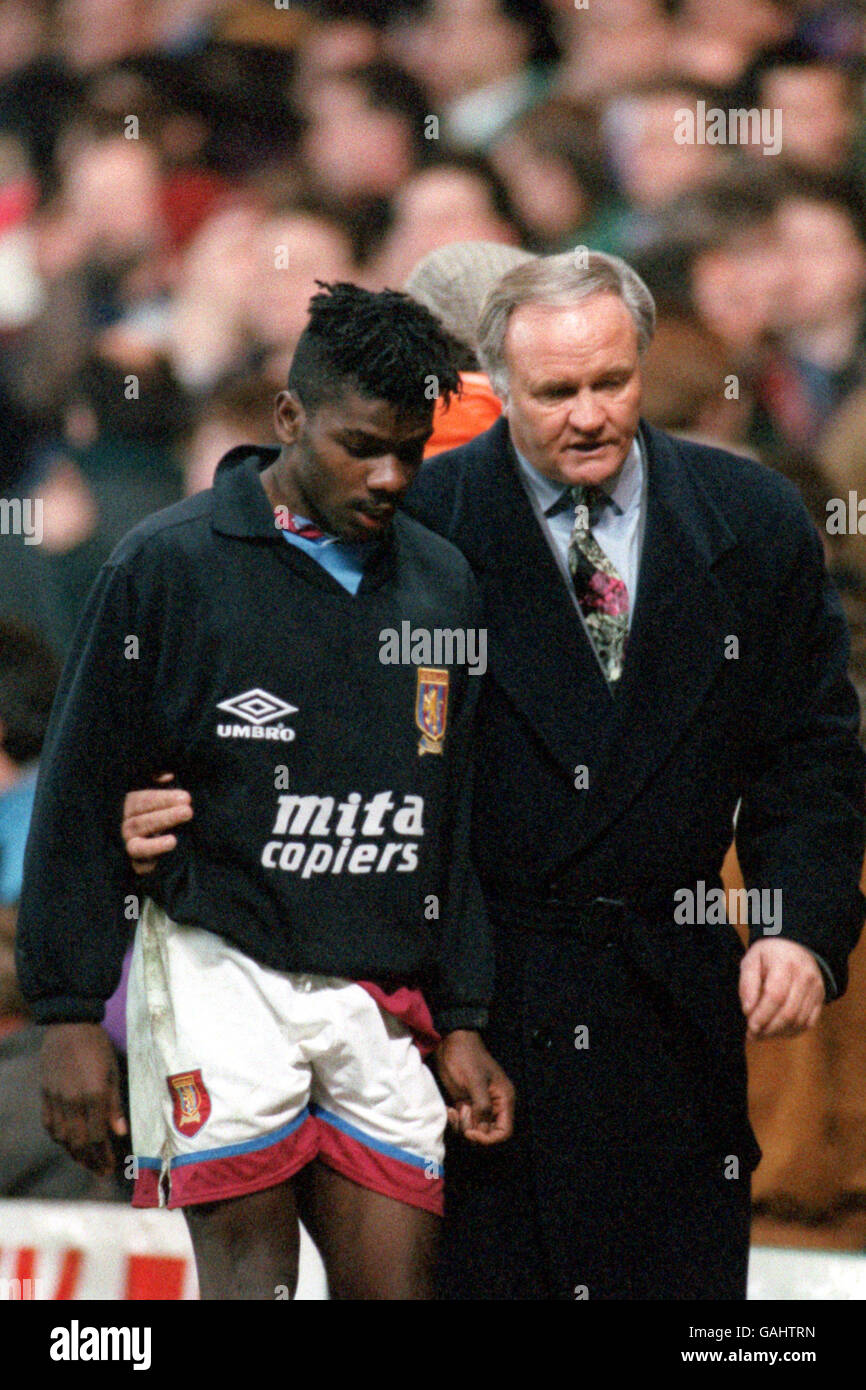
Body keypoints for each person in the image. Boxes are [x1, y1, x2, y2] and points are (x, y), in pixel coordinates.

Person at [118, 250, 866, 1301]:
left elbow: (809, 750)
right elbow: (290, 691)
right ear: (495, 388)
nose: (587, 414)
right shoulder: (415, 520)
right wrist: (167, 795)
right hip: (475, 1009)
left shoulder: (750, 520)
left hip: (675, 1008)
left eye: (610, 382)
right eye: (555, 391)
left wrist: (799, 926)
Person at [15, 282, 513, 1300]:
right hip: (220, 969)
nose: (387, 475)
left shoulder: (442, 581)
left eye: (410, 451)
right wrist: (67, 1013)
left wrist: (461, 1013)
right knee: (254, 1289)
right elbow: (78, 792)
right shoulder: (167, 566)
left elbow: (454, 816)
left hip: (379, 986)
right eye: (361, 444)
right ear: (289, 418)